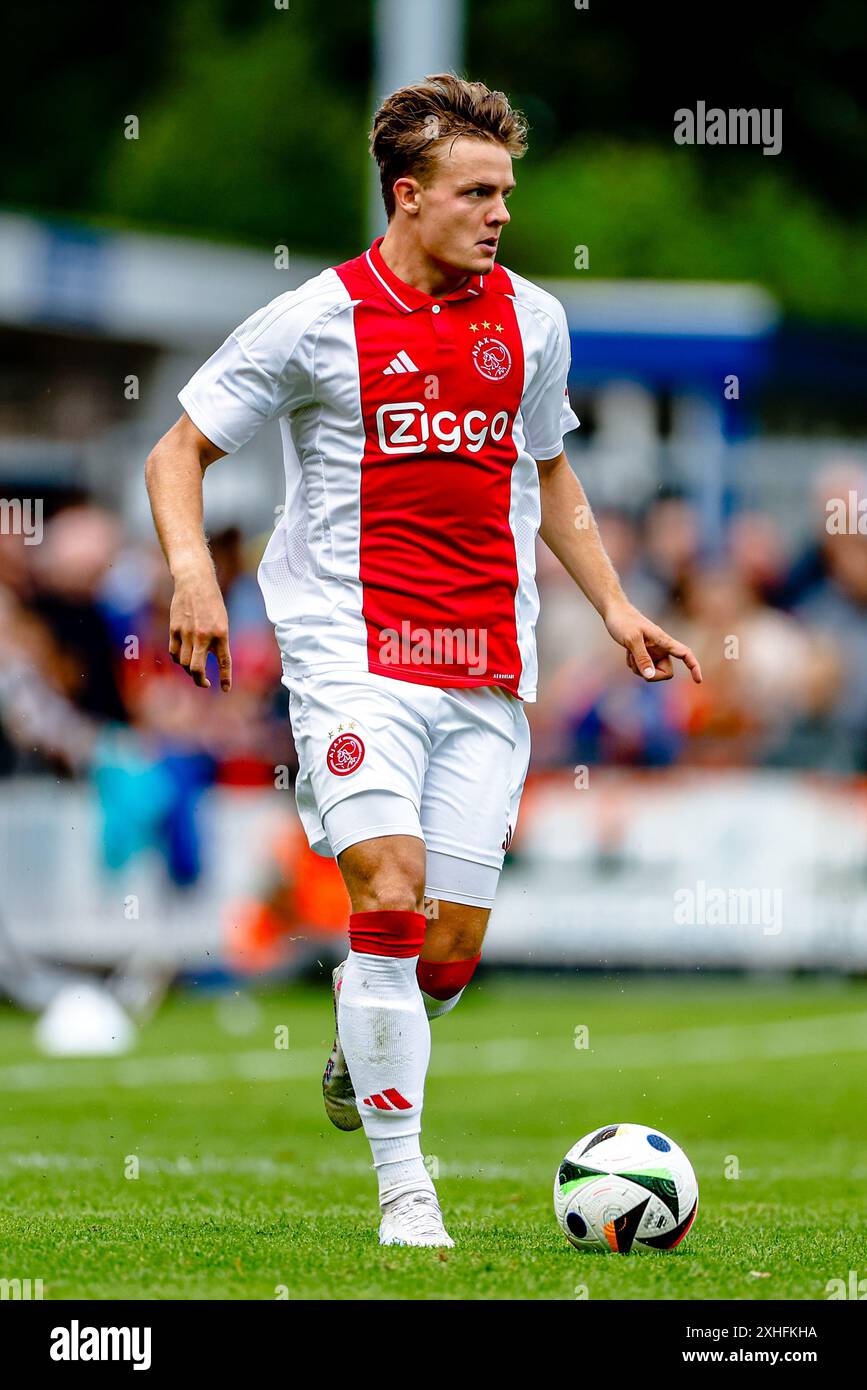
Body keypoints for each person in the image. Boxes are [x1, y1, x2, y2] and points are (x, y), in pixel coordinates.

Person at [144, 73, 701, 1248]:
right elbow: (177, 451)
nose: (501, 212)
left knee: (441, 961)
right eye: (478, 192)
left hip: (486, 662)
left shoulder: (535, 322)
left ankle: (367, 1025)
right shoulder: (315, 319)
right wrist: (195, 573)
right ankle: (408, 1194)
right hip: (351, 652)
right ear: (410, 196)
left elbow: (549, 473)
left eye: (507, 191)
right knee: (387, 892)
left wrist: (615, 607)